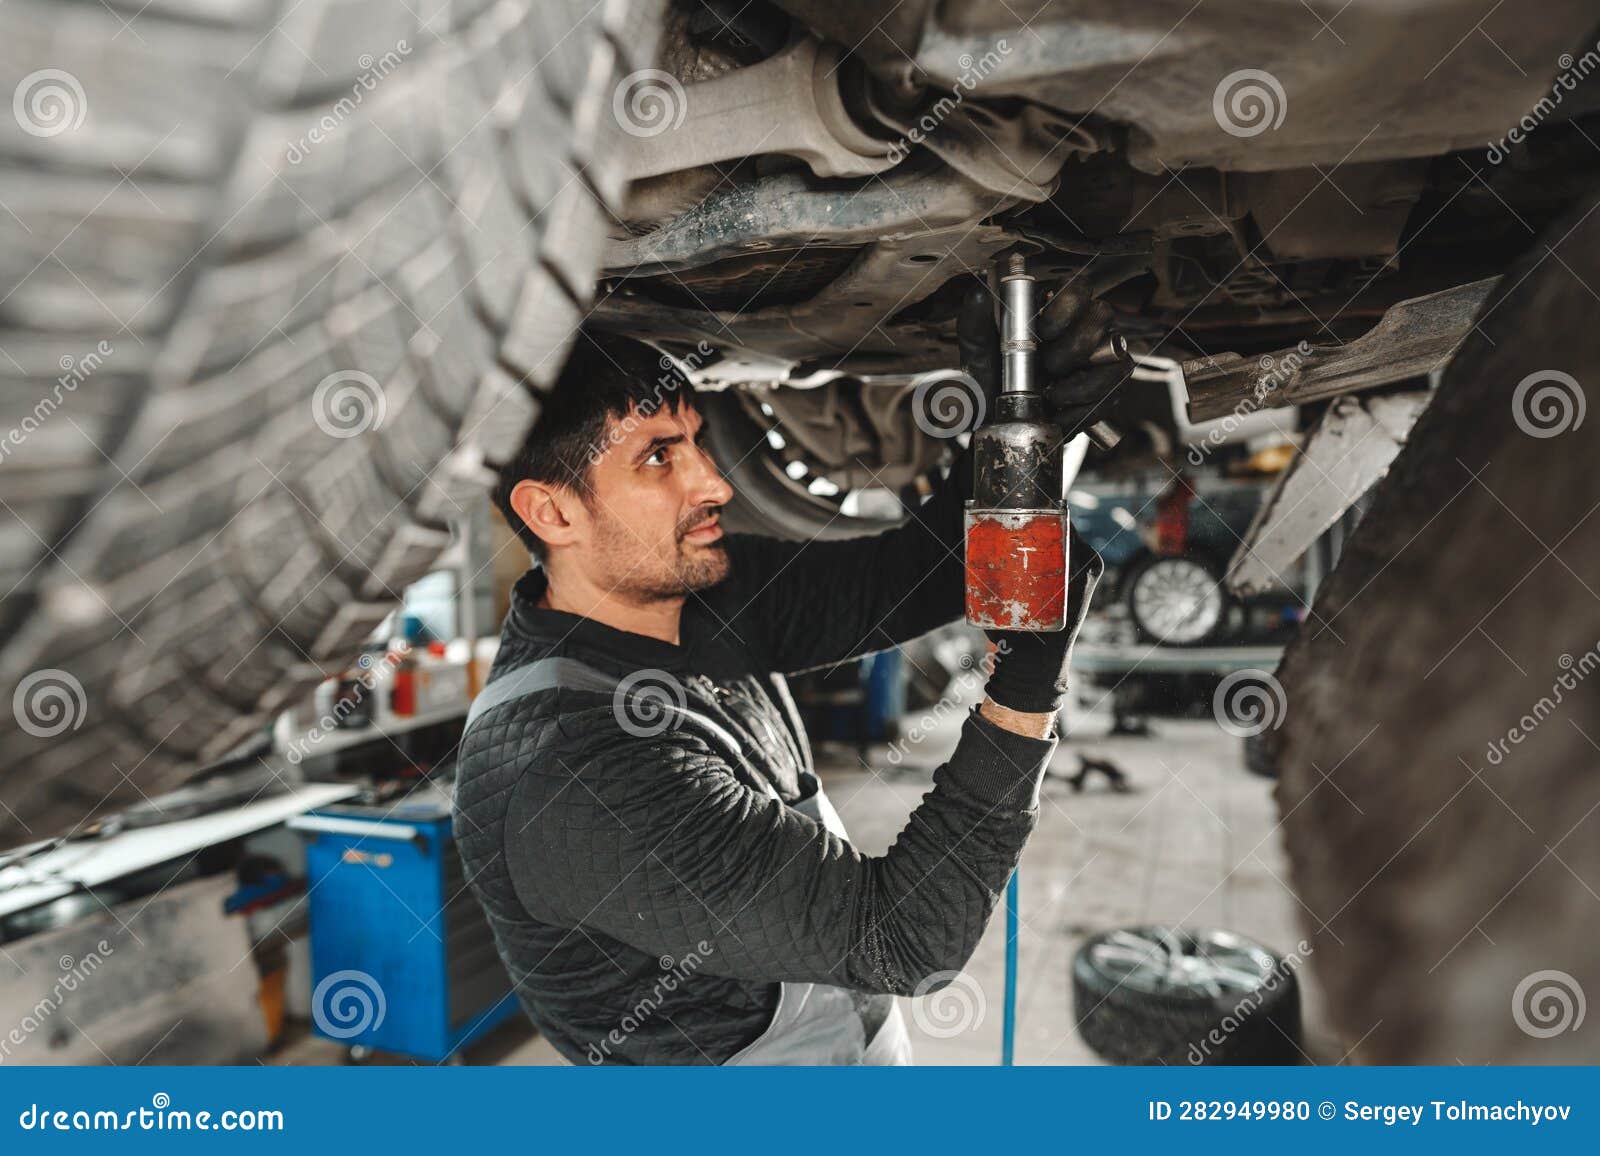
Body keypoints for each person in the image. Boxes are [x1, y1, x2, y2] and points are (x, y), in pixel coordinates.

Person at [454, 286, 1103, 1064]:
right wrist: (1023, 697)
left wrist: (1007, 439)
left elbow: (905, 575)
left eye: (695, 440)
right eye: (660, 456)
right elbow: (904, 939)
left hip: (846, 1045)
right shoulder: (577, 777)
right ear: (553, 513)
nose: (715, 484)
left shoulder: (684, 595)